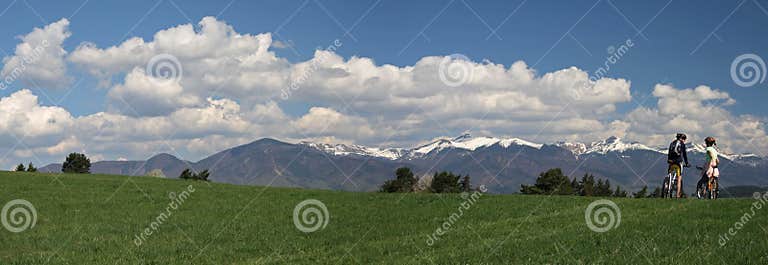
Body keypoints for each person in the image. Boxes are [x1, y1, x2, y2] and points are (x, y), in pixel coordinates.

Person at [667, 133, 690, 198]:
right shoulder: (682, 144)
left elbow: (669, 152)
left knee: (670, 173)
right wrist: (687, 163)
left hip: (671, 161)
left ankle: (667, 183)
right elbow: (684, 154)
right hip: (678, 162)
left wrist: (669, 160)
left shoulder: (672, 143)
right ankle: (677, 195)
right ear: (683, 139)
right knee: (679, 178)